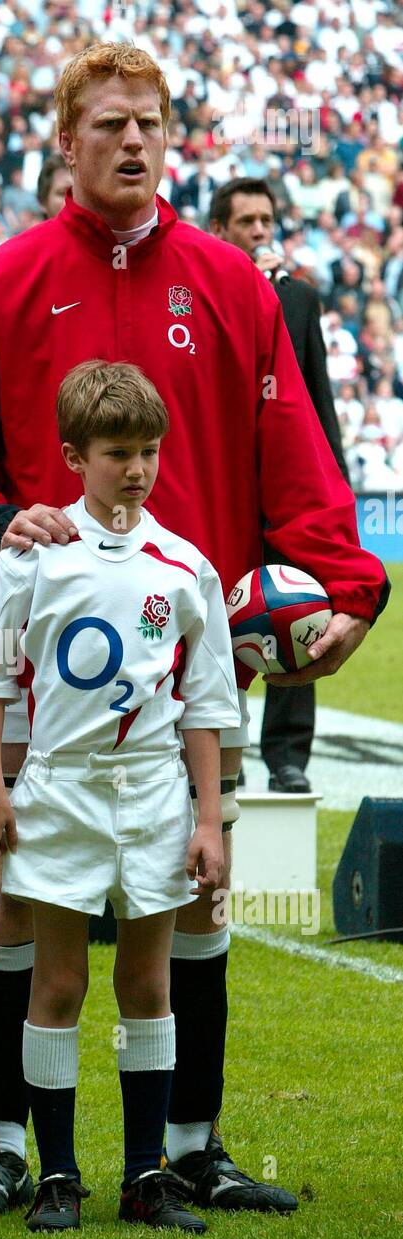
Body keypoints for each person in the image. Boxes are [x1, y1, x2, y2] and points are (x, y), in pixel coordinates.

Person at [0, 42, 389, 1220]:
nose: (133, 142)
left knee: (197, 898)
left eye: (152, 124)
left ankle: (190, 1142)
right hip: (40, 664)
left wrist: (345, 589)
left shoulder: (234, 287)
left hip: (187, 664)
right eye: (110, 124)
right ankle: (1, 1144)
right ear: (65, 142)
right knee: (22, 901)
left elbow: (297, 465)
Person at [0, 360, 241, 1232]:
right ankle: (57, 1174)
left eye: (149, 451)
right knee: (58, 983)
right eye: (117, 451)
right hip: (61, 794)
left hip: (154, 795)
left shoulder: (183, 565)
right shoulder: (32, 557)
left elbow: (204, 707)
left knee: (145, 984)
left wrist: (206, 819)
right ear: (73, 455)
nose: (136, 469)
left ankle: (141, 1176)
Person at [209, 177, 349, 796]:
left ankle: (288, 754)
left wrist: (333, 476)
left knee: (300, 609)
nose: (261, 231)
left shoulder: (301, 300)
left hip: (286, 488)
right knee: (219, 612)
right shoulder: (199, 293)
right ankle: (210, 735)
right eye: (247, 222)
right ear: (220, 231)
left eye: (267, 220)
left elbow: (316, 398)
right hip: (224, 483)